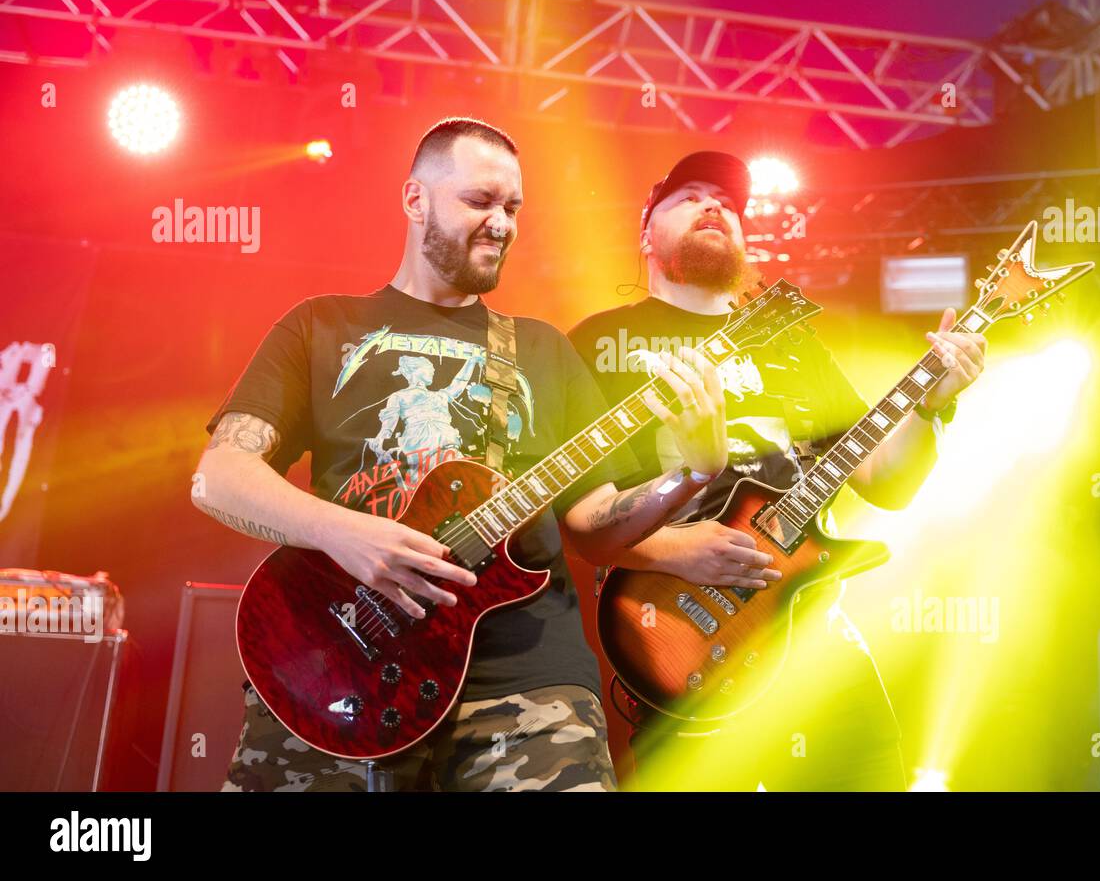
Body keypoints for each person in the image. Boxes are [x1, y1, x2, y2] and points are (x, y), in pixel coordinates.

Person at [194, 119, 731, 792]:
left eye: (512, 209)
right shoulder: (320, 325)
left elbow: (594, 525)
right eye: (479, 202)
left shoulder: (541, 349)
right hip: (337, 662)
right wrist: (344, 533)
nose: (501, 224)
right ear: (416, 200)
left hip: (526, 686)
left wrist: (688, 475)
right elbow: (220, 475)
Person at [567, 151, 987, 790]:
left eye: (729, 204)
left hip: (811, 629)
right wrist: (673, 550)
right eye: (689, 197)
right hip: (680, 632)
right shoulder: (598, 343)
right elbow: (584, 520)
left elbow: (885, 480)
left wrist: (933, 406)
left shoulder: (789, 338)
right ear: (645, 233)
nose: (715, 206)